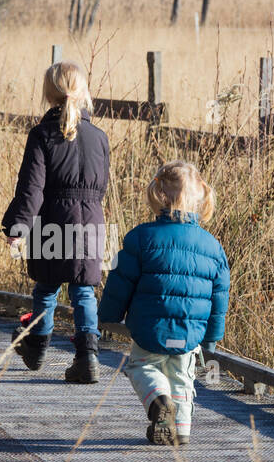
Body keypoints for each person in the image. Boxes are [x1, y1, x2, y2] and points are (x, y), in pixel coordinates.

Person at [97, 161, 229, 445]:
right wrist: (211, 340)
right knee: (182, 377)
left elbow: (121, 282)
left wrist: (108, 315)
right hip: (188, 331)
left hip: (149, 327)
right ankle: (180, 431)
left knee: (142, 367)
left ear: (158, 195)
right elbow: (219, 298)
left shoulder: (140, 238)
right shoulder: (213, 246)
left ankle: (158, 399)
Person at [1, 62, 111, 383]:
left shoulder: (41, 136)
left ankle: (36, 347)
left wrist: (18, 228)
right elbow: (101, 186)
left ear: (49, 95)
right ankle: (88, 356)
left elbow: (31, 188)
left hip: (51, 224)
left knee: (46, 291)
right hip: (91, 224)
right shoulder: (99, 138)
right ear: (83, 91)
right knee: (84, 293)